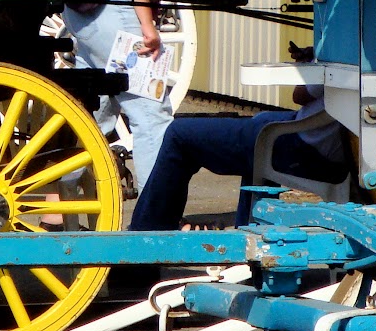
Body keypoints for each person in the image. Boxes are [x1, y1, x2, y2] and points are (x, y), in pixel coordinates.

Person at [127, 85, 351, 230]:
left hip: (305, 148)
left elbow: (299, 94)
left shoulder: (342, 47)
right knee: (261, 122)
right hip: (320, 141)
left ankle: (146, 236)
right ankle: (249, 229)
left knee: (179, 134)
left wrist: (312, 61)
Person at [60, 0, 173, 193]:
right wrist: (147, 23)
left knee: (91, 121)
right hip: (116, 12)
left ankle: (55, 213)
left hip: (80, 13)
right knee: (150, 116)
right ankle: (155, 216)